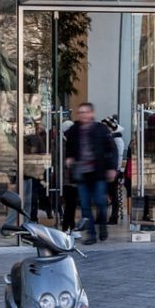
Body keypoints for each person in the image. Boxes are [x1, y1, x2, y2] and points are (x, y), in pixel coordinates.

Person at [64, 102, 119, 245]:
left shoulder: (101, 129)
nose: (83, 115)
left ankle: (102, 226)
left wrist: (112, 168)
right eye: (80, 112)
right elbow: (69, 148)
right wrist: (69, 159)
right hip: (82, 173)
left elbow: (112, 149)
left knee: (100, 201)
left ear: (92, 114)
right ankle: (91, 234)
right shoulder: (74, 130)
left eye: (85, 112)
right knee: (85, 205)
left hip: (98, 173)